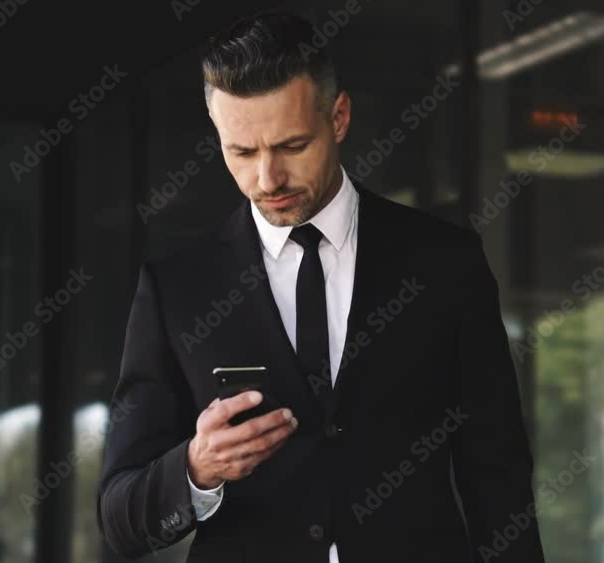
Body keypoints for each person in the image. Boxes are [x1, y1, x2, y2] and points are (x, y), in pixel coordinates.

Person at [96, 10, 545, 563]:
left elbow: (497, 474)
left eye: (290, 146)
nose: (267, 178)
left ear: (339, 117)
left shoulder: (444, 265)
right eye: (242, 152)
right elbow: (119, 518)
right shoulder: (176, 291)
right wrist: (194, 469)